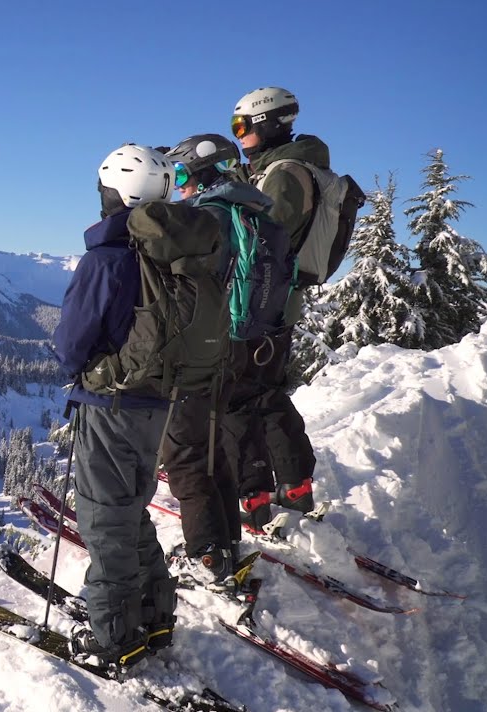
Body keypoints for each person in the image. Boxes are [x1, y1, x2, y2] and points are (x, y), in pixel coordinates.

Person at [52, 144, 179, 668]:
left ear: (117, 194)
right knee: (130, 510)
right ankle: (155, 612)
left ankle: (114, 637)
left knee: (105, 519)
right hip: (160, 403)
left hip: (111, 404)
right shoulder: (171, 254)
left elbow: (71, 343)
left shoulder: (106, 259)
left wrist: (80, 369)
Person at [161, 134, 293, 564]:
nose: (179, 185)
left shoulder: (208, 217)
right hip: (253, 340)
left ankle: (209, 553)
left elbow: (190, 288)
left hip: (211, 347)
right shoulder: (254, 211)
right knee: (217, 444)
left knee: (189, 450)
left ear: (204, 172)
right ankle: (227, 538)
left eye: (182, 174)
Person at [227, 86, 323, 523]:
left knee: (240, 398)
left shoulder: (284, 174)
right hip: (277, 302)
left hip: (261, 303)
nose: (239, 135)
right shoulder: (289, 168)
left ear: (266, 123)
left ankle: (254, 496)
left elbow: (264, 239)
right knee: (266, 394)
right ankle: (294, 485)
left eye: (241, 126)